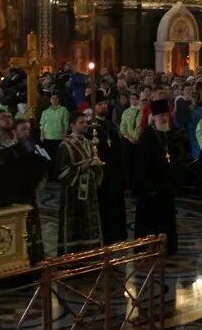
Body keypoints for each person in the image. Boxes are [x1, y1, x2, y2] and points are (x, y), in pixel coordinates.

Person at [133, 99, 185, 254]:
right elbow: (141, 165)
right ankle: (148, 248)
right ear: (153, 117)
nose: (164, 118)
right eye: (161, 115)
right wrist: (150, 187)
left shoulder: (169, 134)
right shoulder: (147, 137)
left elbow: (174, 158)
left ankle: (167, 247)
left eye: (166, 115)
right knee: (150, 220)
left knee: (167, 218)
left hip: (166, 188)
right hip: (151, 189)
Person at [53, 112, 103, 255]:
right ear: (72, 125)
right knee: (74, 224)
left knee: (89, 222)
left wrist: (96, 168)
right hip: (73, 194)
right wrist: (81, 168)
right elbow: (60, 172)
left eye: (86, 122)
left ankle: (91, 255)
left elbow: (97, 167)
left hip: (89, 191)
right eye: (81, 122)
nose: (85, 125)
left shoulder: (90, 143)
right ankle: (72, 256)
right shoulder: (65, 146)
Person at [92, 96, 127, 245]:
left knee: (117, 204)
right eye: (100, 104)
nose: (103, 106)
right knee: (105, 205)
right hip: (102, 174)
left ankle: (118, 234)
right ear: (94, 108)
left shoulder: (111, 125)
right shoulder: (91, 127)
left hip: (115, 172)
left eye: (105, 103)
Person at [39, 92, 69, 159]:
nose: (54, 99)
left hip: (59, 138)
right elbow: (42, 124)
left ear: (58, 99)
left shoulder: (63, 110)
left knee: (58, 157)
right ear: (50, 99)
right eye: (52, 98)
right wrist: (41, 135)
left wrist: (65, 135)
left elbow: (66, 124)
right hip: (47, 138)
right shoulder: (46, 111)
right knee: (48, 157)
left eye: (56, 98)